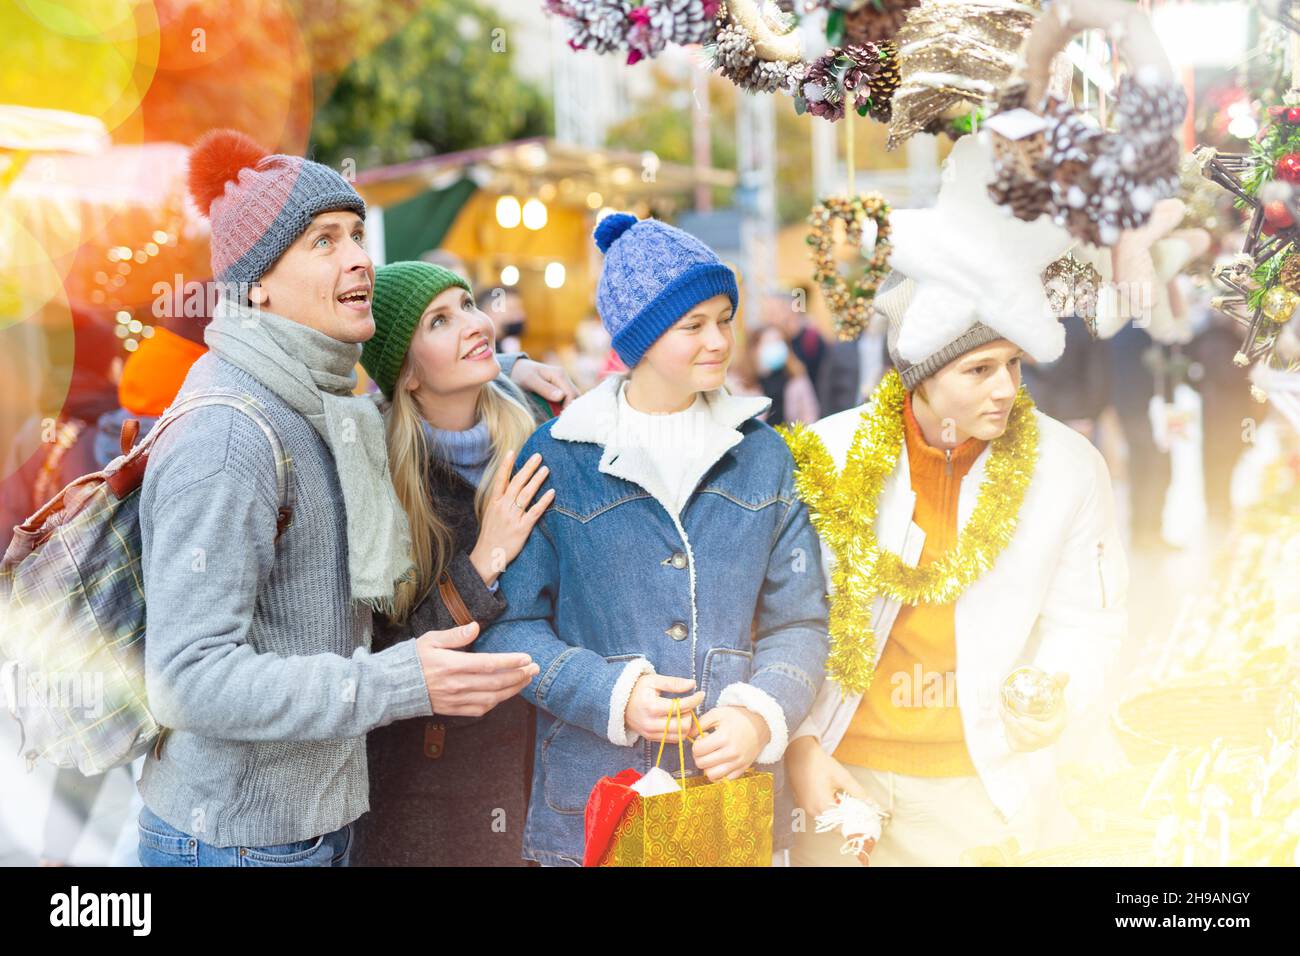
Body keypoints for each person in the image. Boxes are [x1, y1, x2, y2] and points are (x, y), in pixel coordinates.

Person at [134, 129, 565, 867]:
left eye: (357, 233)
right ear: (257, 284)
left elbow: (415, 388)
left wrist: (510, 369)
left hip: (311, 827)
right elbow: (187, 679)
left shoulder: (319, 402)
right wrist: (398, 680)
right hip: (239, 840)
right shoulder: (231, 431)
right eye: (324, 241)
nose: (360, 256)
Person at [476, 213, 829, 866]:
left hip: (730, 807)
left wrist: (760, 714)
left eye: (724, 317)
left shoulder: (763, 456)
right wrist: (612, 693)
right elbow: (511, 625)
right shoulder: (559, 456)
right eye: (691, 325)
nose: (719, 340)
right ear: (637, 339)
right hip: (592, 809)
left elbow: (802, 618)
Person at [785, 267, 1129, 866]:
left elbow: (1090, 622)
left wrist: (1048, 700)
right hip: (840, 772)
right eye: (979, 369)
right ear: (917, 372)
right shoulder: (825, 456)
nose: (1007, 389)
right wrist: (800, 745)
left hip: (981, 783)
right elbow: (779, 617)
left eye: (1014, 363)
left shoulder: (1068, 467)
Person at [351, 261, 553, 865]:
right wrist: (486, 556)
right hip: (430, 795)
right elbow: (398, 659)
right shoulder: (381, 481)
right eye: (440, 320)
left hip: (540, 773)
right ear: (408, 374)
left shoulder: (541, 438)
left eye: (468, 304)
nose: (474, 324)